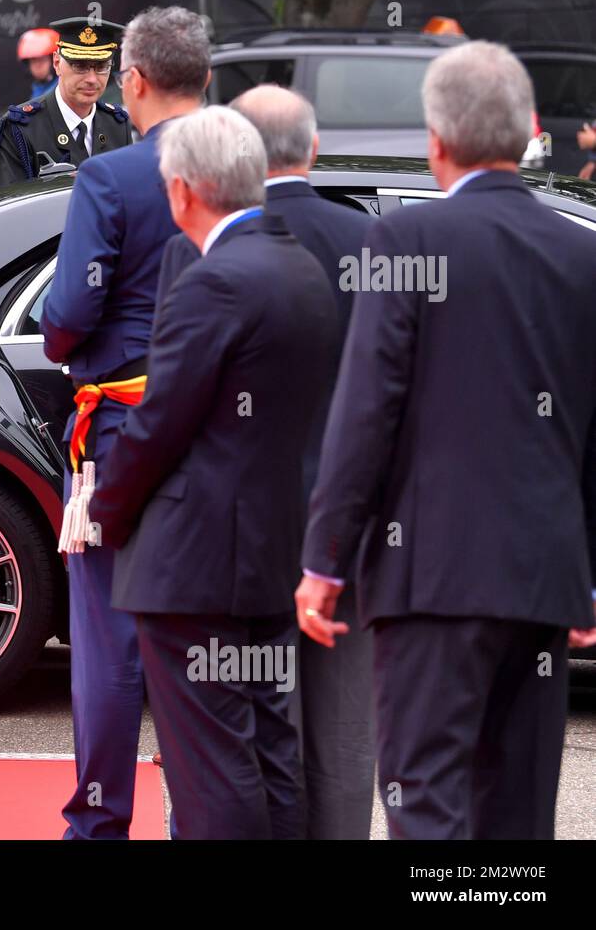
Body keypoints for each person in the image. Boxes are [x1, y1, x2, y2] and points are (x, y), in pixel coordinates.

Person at [295, 41, 596, 840]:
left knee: (426, 798)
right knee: (518, 810)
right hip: (542, 573)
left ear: (435, 140)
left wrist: (325, 558)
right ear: (532, 130)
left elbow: (366, 414)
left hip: (431, 574)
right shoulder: (584, 252)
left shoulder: (406, 244)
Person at [88, 106, 337, 839]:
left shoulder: (215, 279)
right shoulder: (300, 265)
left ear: (185, 190)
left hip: (197, 560)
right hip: (269, 546)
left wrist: (107, 509)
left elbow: (160, 420)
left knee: (212, 764)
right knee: (268, 748)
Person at [39, 6, 208, 840]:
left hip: (122, 429)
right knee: (205, 639)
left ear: (131, 81)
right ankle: (203, 814)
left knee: (110, 641)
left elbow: (66, 313)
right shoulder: (242, 168)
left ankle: (100, 824)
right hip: (224, 431)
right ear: (207, 81)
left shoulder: (110, 177)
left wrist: (73, 344)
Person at [230, 83, 375, 840]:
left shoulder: (218, 242)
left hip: (246, 520)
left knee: (254, 722)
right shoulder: (373, 243)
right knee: (347, 728)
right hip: (351, 520)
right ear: (313, 151)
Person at [0, 17, 132, 189]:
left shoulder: (117, 124)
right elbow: (10, 210)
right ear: (57, 63)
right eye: (80, 66)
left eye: (102, 66)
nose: (92, 79)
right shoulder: (19, 130)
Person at [17, 27, 58, 100]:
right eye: (33, 61)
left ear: (54, 60)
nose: (37, 66)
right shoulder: (37, 88)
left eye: (42, 60)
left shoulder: (60, 90)